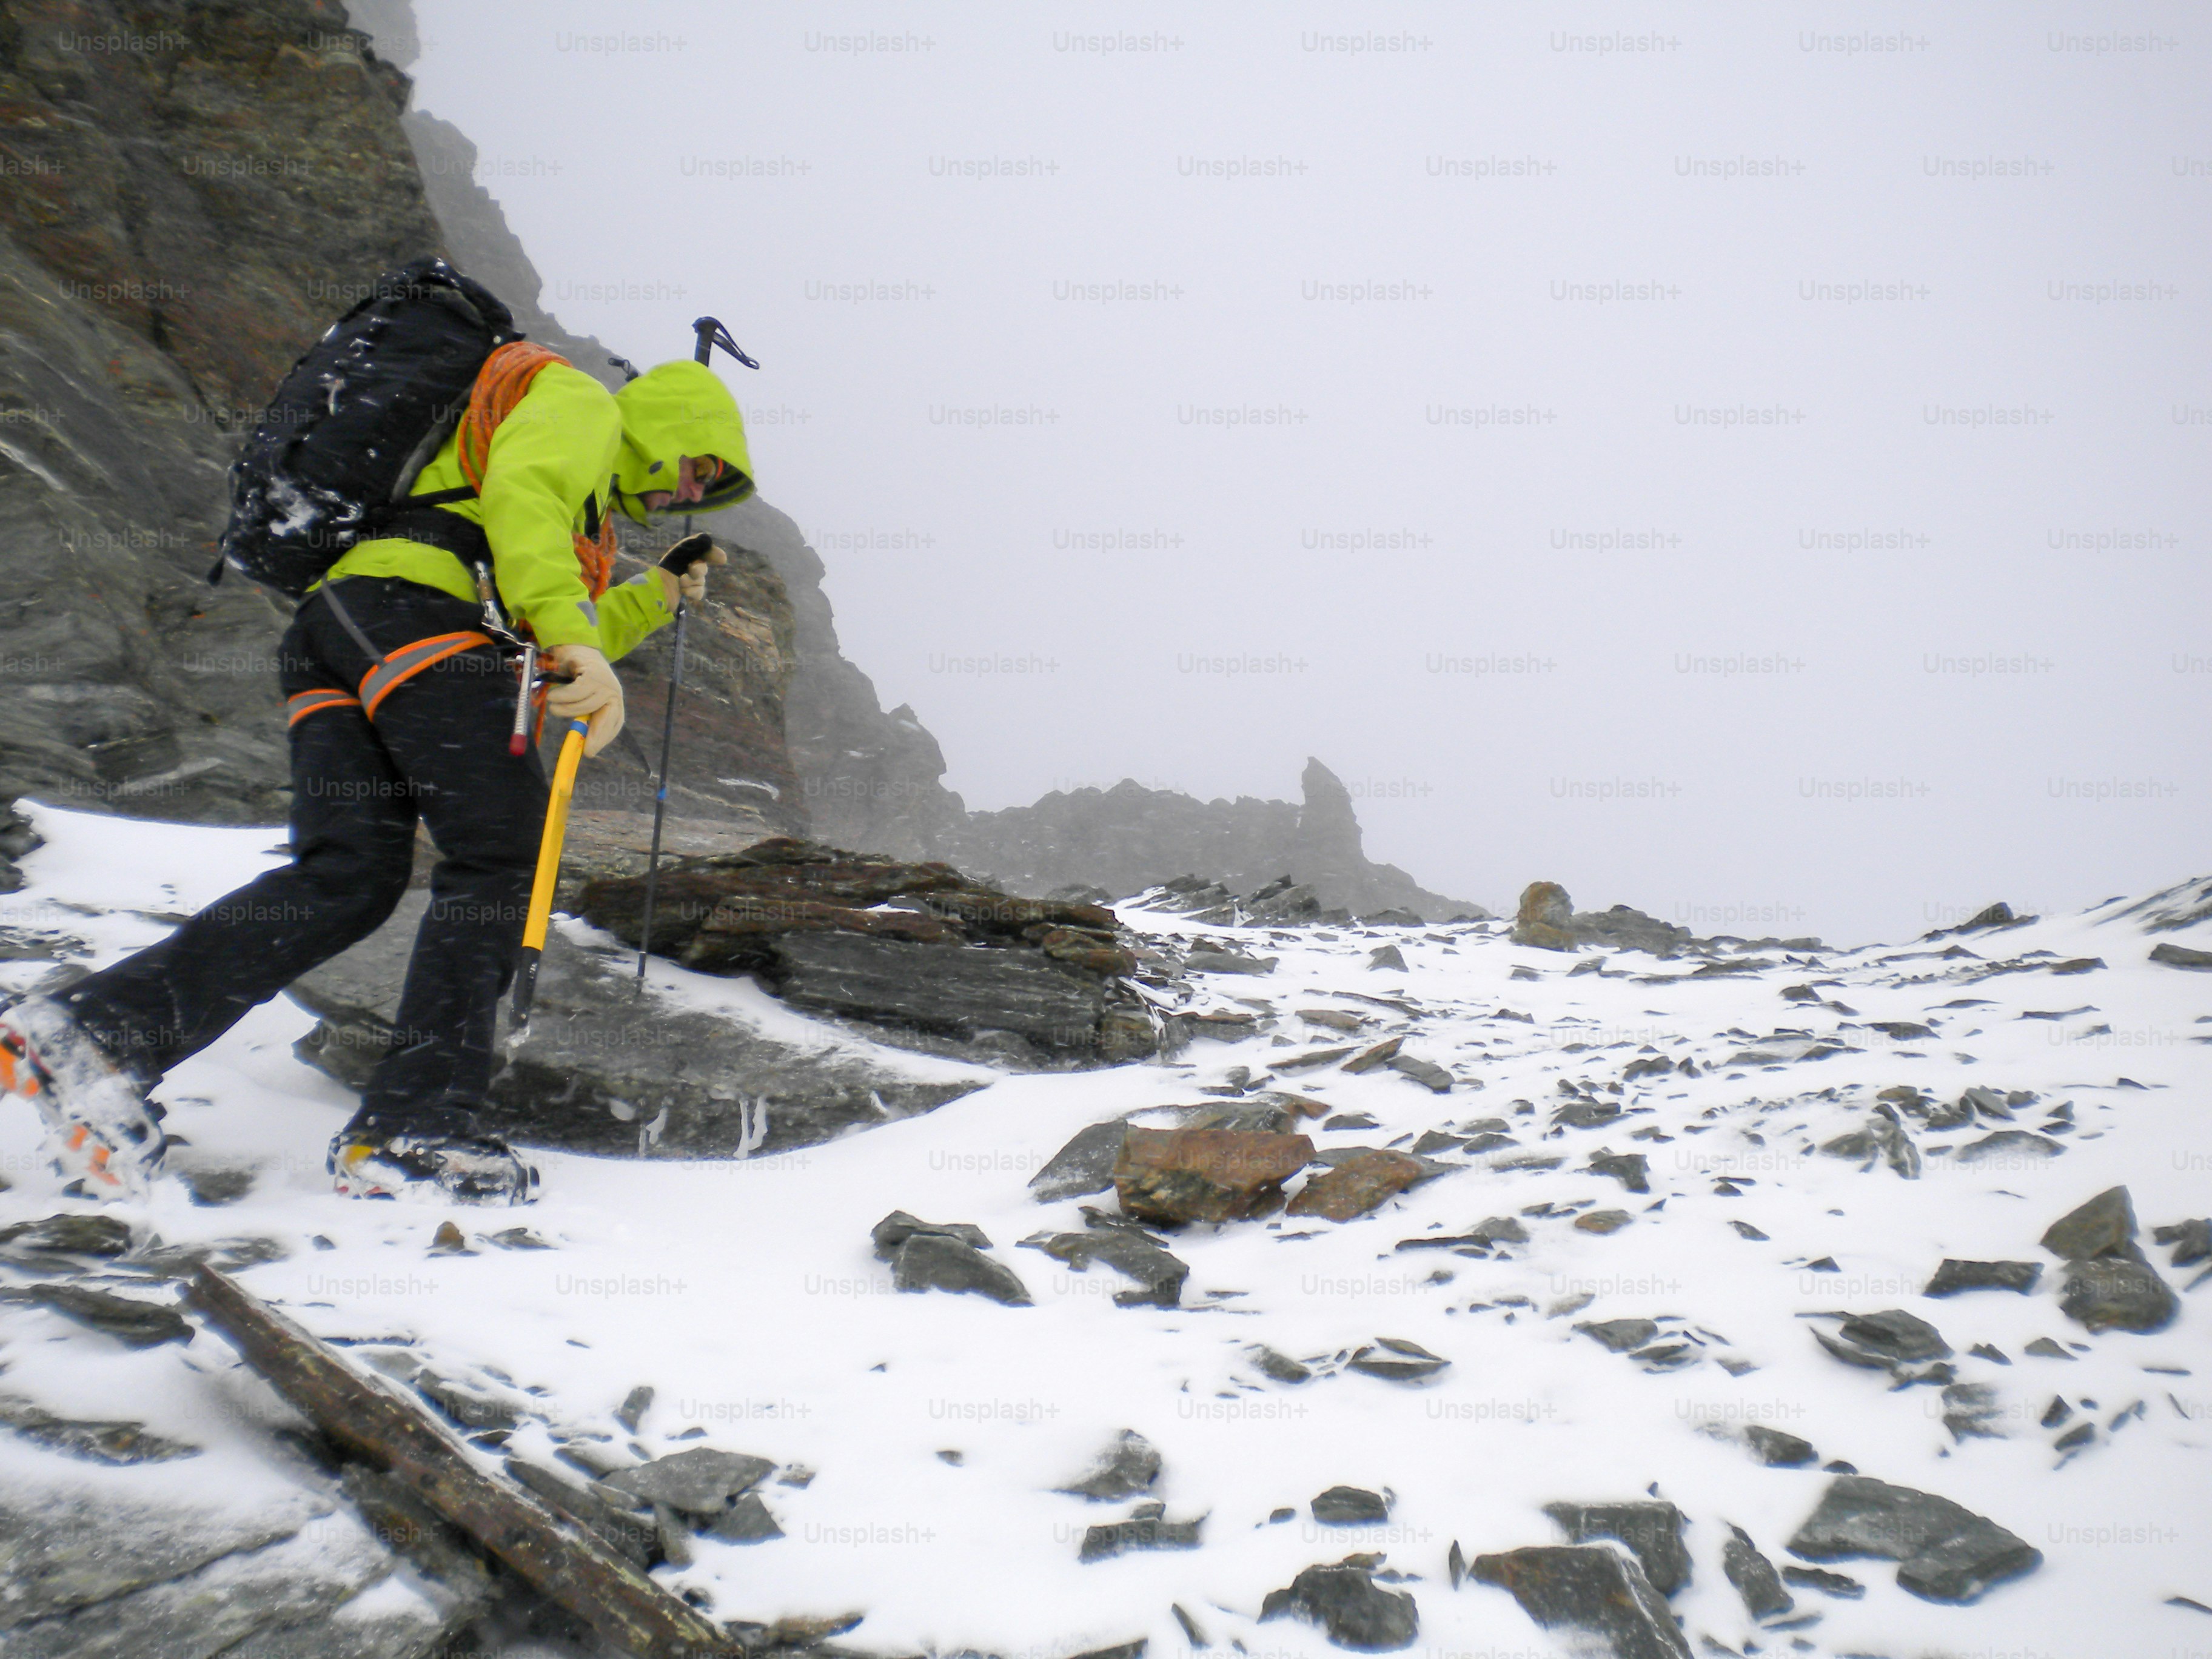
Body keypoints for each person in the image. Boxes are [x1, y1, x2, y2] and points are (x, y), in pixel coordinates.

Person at [0, 349, 752, 1205]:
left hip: (345, 629)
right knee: (504, 853)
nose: (686, 494)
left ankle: (93, 1033)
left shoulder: (581, 518)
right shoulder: (582, 406)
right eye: (697, 468)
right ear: (672, 425)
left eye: (707, 493)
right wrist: (573, 639)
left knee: (350, 873)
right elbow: (524, 503)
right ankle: (414, 1128)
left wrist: (652, 594)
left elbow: (540, 607)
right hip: (415, 618)